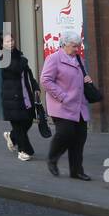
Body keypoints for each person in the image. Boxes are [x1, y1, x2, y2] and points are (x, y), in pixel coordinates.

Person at [39, 30, 93, 180]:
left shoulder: (79, 60)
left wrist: (87, 80)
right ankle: (52, 158)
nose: (77, 49)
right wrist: (62, 96)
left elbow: (79, 79)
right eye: (74, 46)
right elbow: (45, 80)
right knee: (65, 134)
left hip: (79, 106)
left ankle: (76, 171)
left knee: (80, 138)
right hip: (62, 106)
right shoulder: (54, 59)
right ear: (64, 44)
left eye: (78, 46)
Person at [0, 34, 41, 161]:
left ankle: (11, 136)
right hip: (12, 98)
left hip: (25, 96)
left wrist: (36, 87)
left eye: (11, 40)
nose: (10, 43)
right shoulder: (3, 58)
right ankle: (23, 151)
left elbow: (29, 74)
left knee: (28, 121)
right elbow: (17, 68)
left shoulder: (19, 56)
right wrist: (23, 59)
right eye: (7, 42)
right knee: (18, 125)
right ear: (2, 45)